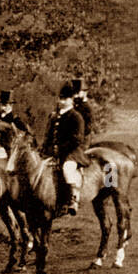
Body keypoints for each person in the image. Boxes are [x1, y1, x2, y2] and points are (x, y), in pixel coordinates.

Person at [41, 82, 88, 216]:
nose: (61, 101)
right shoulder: (55, 116)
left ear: (71, 100)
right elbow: (48, 135)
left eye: (64, 99)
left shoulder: (76, 116)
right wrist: (44, 148)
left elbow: (77, 139)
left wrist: (60, 149)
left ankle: (73, 199)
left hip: (72, 152)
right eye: (60, 98)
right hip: (55, 152)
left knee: (67, 168)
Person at [71, 77, 94, 147]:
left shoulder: (87, 108)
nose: (75, 95)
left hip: (83, 139)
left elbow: (88, 126)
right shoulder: (75, 104)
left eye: (78, 92)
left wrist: (78, 136)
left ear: (85, 93)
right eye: (74, 93)